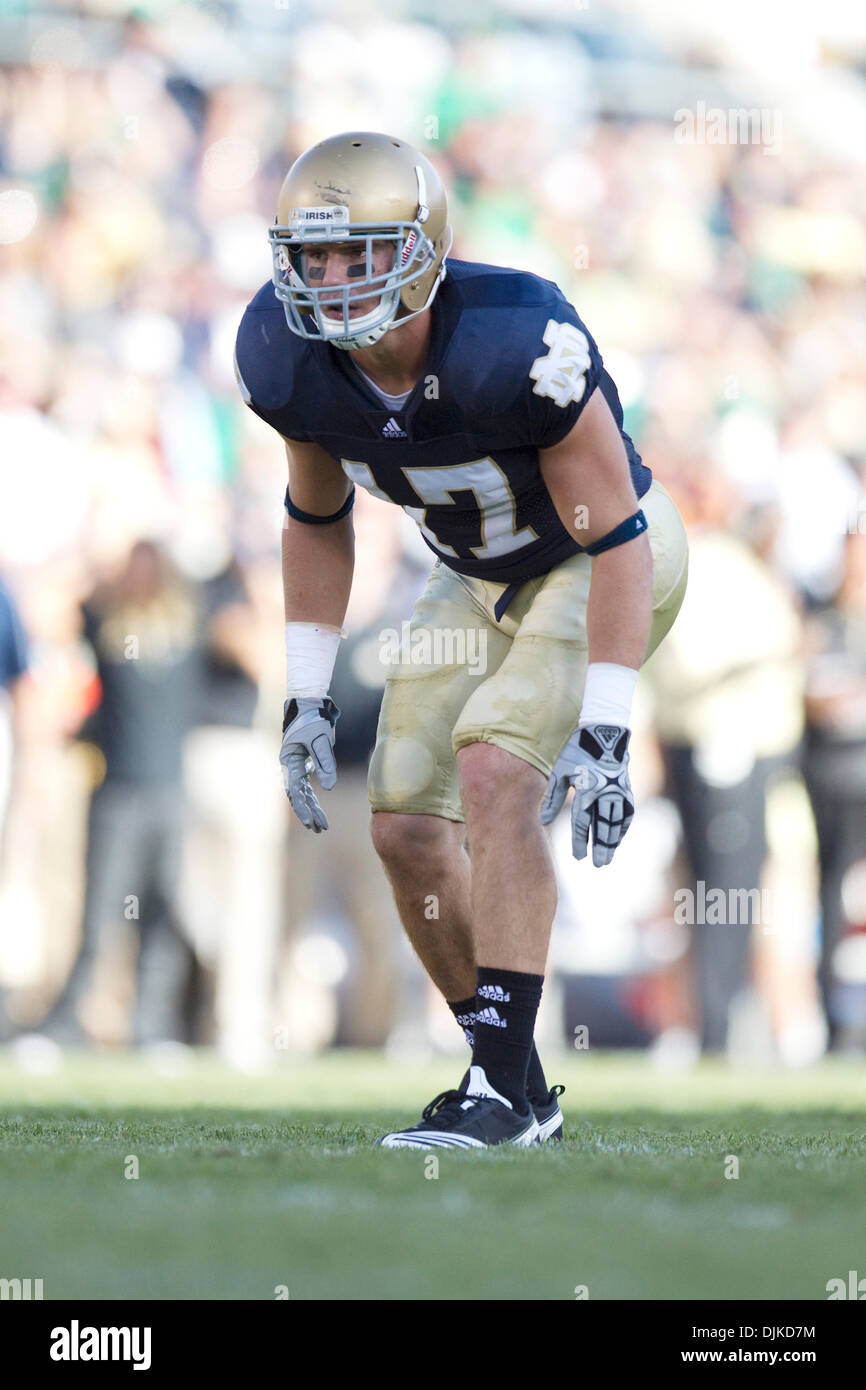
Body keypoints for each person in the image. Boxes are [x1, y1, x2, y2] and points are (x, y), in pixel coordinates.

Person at [234, 131, 689, 1148]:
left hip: (601, 557)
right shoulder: (283, 353)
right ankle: (517, 1091)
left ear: (422, 248)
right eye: (316, 258)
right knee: (399, 820)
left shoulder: (514, 336)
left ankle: (489, 1092)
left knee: (493, 769)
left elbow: (615, 537)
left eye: (361, 254)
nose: (334, 281)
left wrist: (608, 730)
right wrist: (306, 696)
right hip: (473, 573)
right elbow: (316, 521)